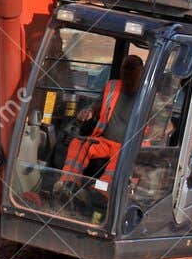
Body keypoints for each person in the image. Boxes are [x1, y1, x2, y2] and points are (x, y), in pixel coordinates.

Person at [57, 53, 144, 193]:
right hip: (104, 142)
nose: (127, 74)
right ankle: (68, 183)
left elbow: (159, 127)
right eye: (125, 69)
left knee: (120, 162)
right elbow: (96, 106)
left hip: (127, 147)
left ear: (141, 72)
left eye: (132, 70)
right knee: (78, 143)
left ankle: (101, 193)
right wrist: (89, 112)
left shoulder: (147, 96)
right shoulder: (112, 87)